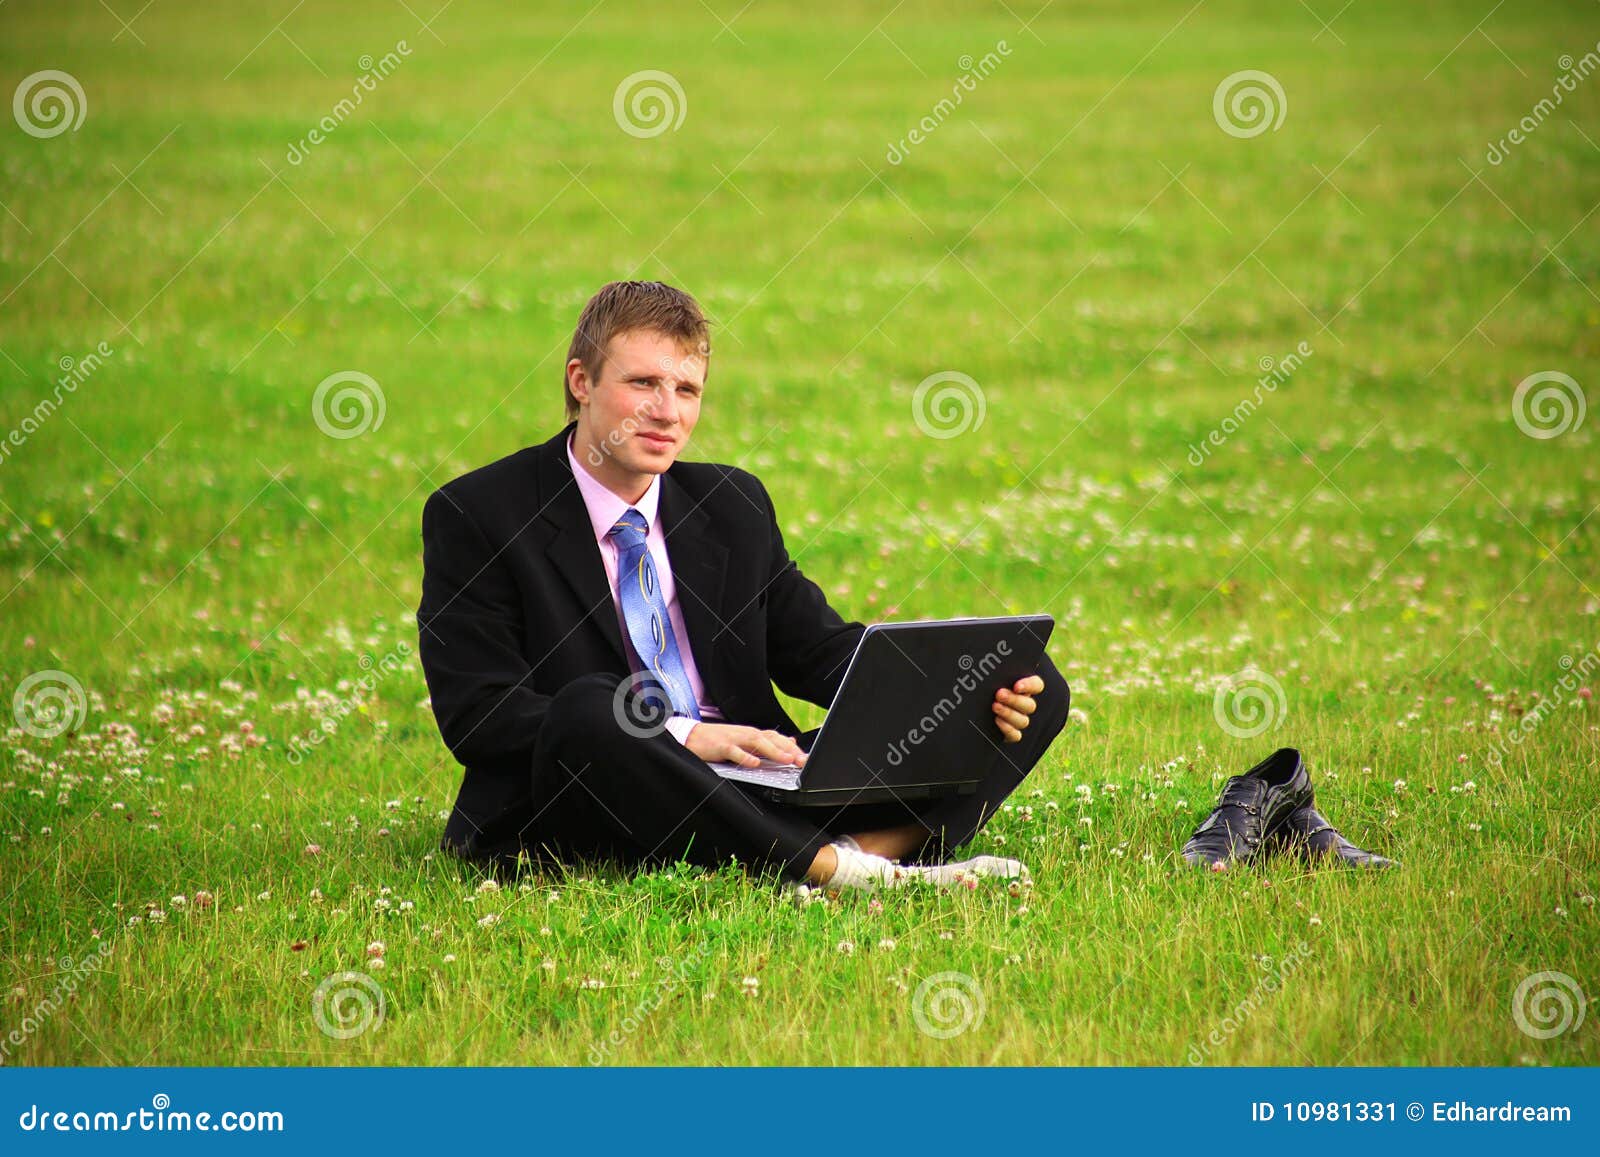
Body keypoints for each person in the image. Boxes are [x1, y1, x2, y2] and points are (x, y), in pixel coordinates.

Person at [416, 280, 1071, 891]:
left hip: (751, 779)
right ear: (581, 382)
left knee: (1025, 679)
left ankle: (860, 849)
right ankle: (832, 867)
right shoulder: (479, 512)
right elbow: (482, 716)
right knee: (591, 707)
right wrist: (680, 734)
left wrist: (954, 685)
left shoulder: (730, 503)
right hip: (599, 793)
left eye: (688, 389)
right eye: (642, 382)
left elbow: (818, 652)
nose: (666, 412)